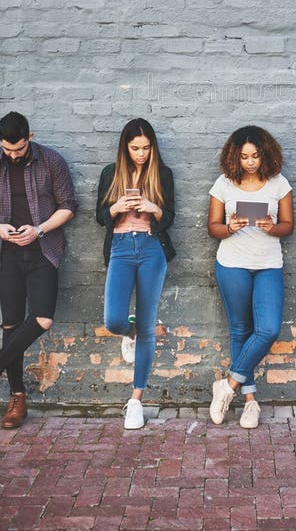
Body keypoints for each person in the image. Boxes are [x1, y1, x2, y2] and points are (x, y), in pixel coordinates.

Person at [0, 111, 77, 428]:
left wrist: (40, 229)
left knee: (42, 318)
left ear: (29, 137)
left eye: (18, 148)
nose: (13, 155)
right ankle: (17, 400)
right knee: (11, 326)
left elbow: (69, 205)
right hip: (7, 253)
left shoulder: (51, 161)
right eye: (7, 149)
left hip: (44, 250)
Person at [207, 126, 293, 429]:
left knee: (267, 329)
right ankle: (250, 402)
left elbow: (289, 225)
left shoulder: (278, 183)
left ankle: (227, 386)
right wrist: (229, 227)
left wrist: (274, 227)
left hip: (268, 263)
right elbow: (212, 227)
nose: (250, 162)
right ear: (235, 156)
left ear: (265, 154)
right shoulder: (224, 184)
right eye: (244, 157)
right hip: (232, 263)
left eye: (255, 156)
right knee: (240, 330)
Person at [96, 118, 175, 430]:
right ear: (125, 148)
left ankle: (136, 400)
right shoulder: (110, 174)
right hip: (120, 247)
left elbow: (169, 217)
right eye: (135, 148)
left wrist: (151, 207)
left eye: (146, 148)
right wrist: (116, 208)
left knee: (147, 326)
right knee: (113, 320)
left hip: (151, 248)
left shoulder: (162, 174)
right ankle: (127, 331)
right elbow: (99, 217)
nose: (141, 154)